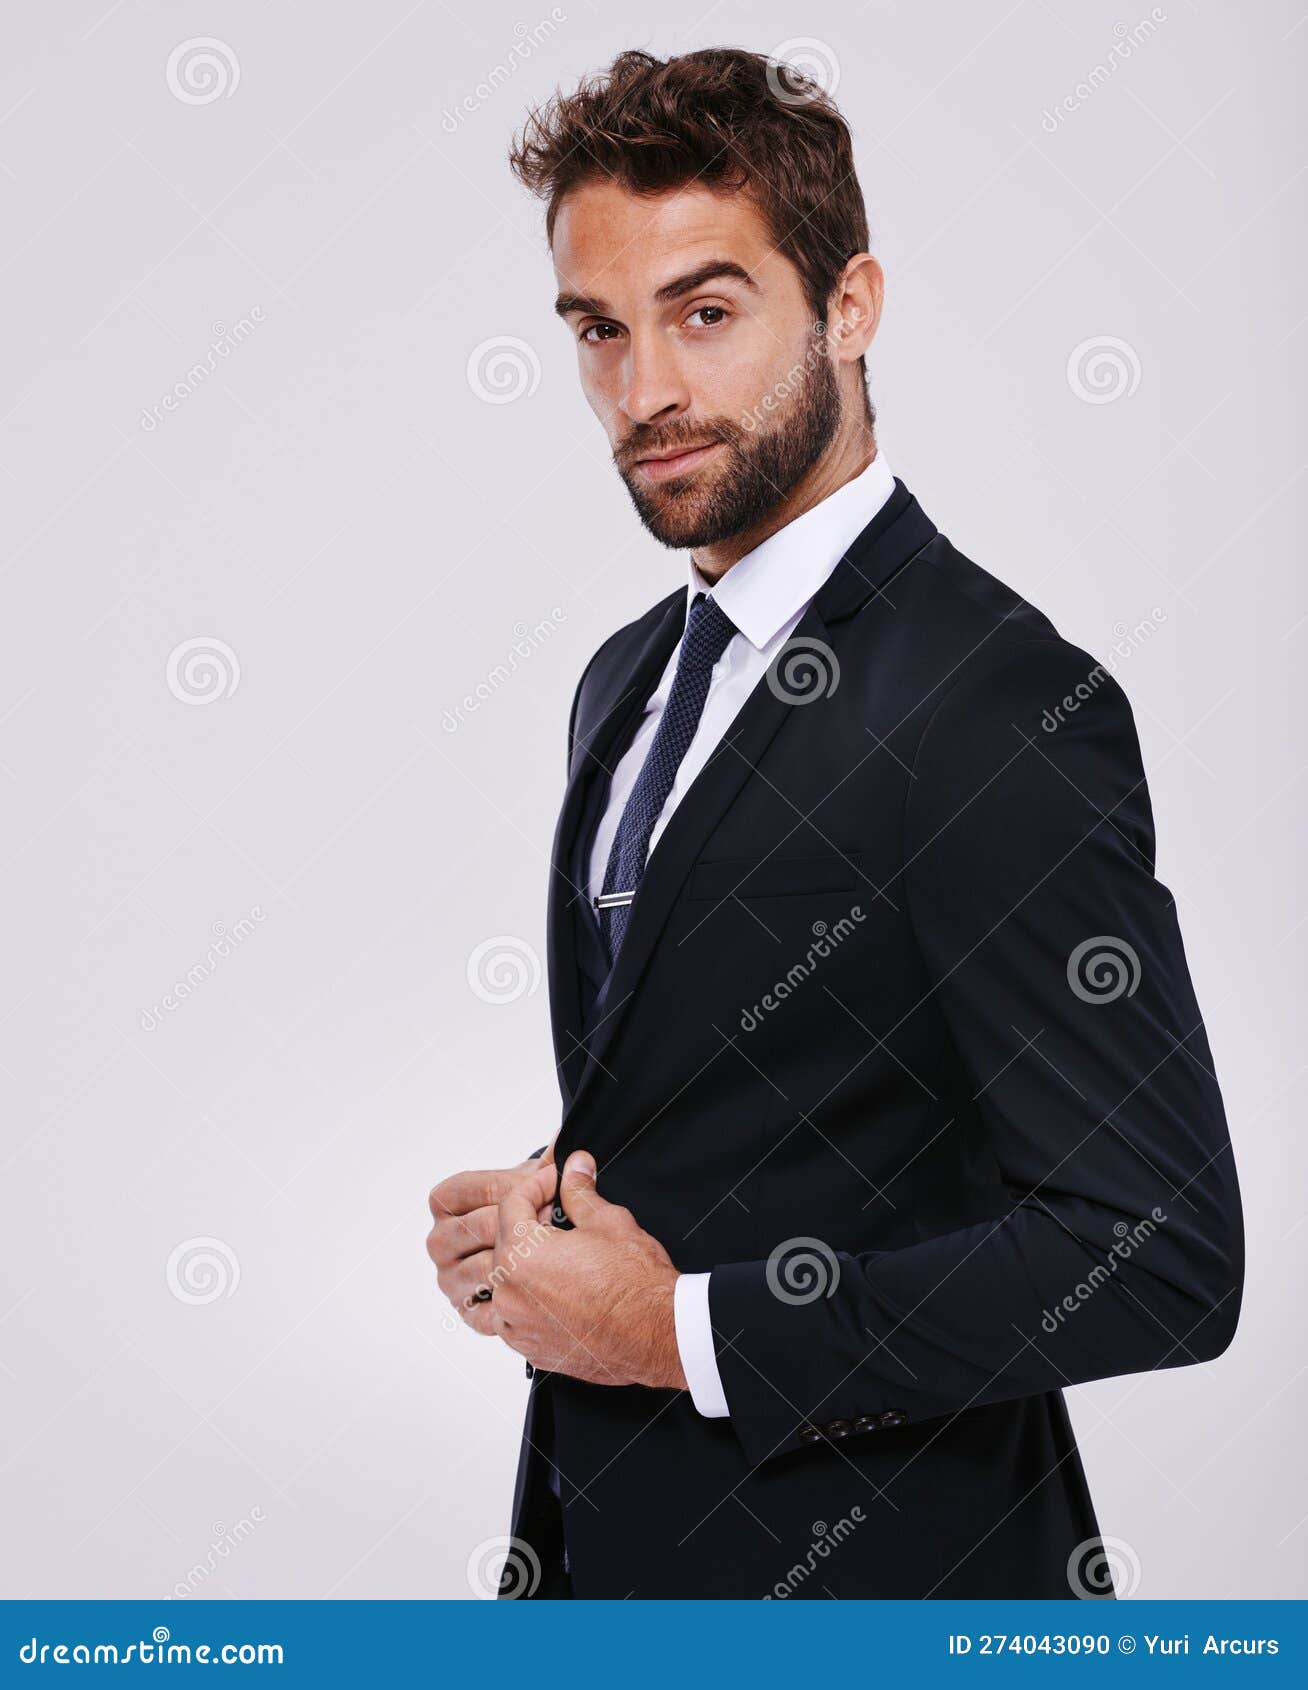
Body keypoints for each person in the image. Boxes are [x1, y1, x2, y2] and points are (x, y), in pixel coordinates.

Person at [426, 46, 1243, 1600]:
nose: (644, 389)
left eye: (706, 311)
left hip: (896, 1580)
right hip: (606, 1555)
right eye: (599, 329)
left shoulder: (997, 706)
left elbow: (1158, 1248)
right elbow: (769, 1085)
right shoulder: (629, 680)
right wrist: (553, 1218)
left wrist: (674, 1329)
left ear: (850, 307)